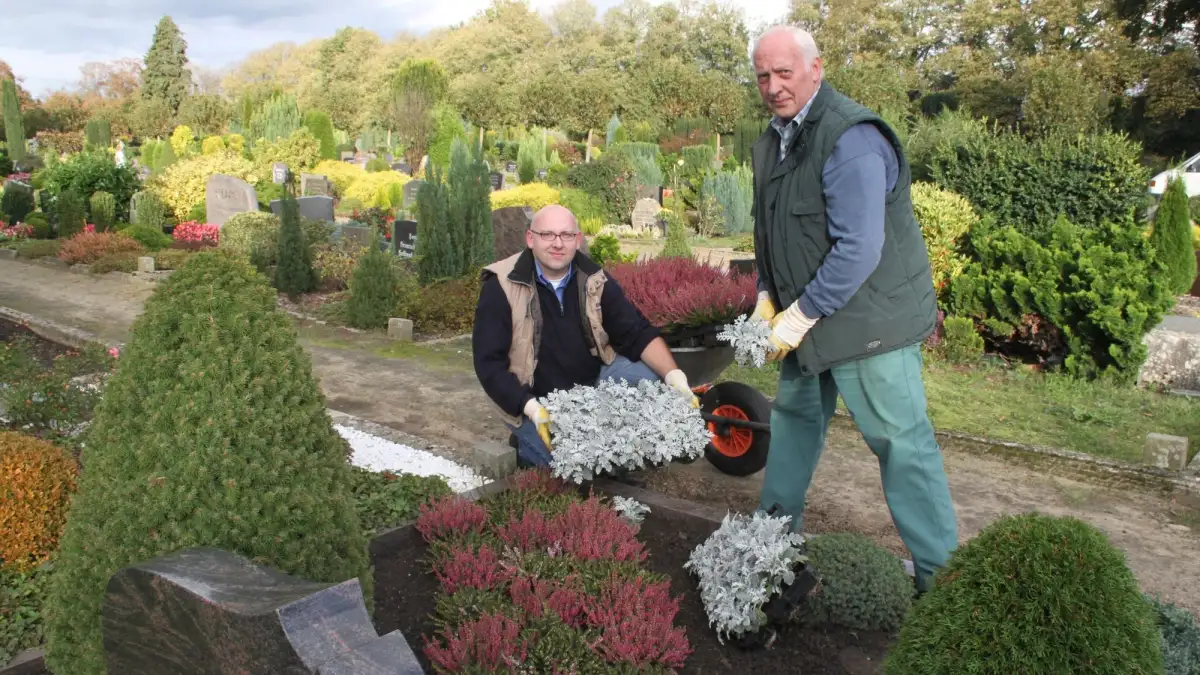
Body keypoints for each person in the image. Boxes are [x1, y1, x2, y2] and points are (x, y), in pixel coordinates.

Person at [748, 25, 959, 592]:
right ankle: (768, 551)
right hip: (805, 320)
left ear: (815, 69)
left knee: (900, 444)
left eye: (784, 72)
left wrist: (799, 315)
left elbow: (859, 248)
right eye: (763, 76)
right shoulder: (773, 140)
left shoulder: (852, 139)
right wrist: (767, 293)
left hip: (871, 323)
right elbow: (769, 231)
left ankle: (941, 587)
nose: (773, 86)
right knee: (792, 426)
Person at [472, 204, 698, 468]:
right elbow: (489, 365)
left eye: (566, 235)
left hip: (591, 385)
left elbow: (636, 331)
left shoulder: (594, 279)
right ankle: (526, 444)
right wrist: (530, 407)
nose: (558, 243)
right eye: (547, 234)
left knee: (650, 381)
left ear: (577, 240)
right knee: (573, 462)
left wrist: (675, 377)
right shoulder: (501, 286)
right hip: (533, 399)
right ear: (530, 239)